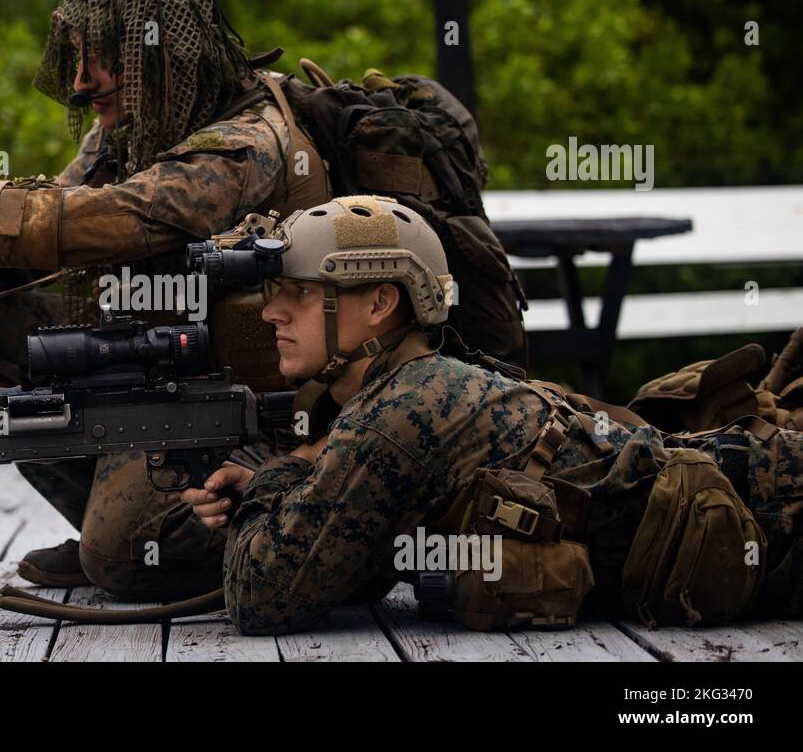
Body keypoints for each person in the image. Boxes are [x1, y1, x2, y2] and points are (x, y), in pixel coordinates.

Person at [0, 0, 334, 600]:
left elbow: (125, 217)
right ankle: (123, 524)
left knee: (120, 559)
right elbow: (56, 224)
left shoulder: (248, 138)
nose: (82, 82)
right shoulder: (130, 131)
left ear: (161, 55)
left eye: (101, 59)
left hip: (258, 409)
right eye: (77, 57)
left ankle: (220, 537)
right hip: (166, 369)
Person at [183, 195, 803, 635]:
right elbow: (355, 563)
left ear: (380, 302)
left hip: (777, 513)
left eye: (301, 292)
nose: (272, 314)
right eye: (275, 292)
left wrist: (268, 477)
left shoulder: (401, 415)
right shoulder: (407, 390)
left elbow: (261, 599)